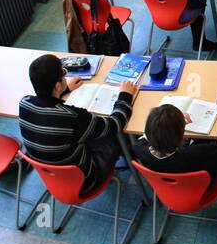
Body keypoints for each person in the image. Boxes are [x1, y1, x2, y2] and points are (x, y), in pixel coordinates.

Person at [19, 54, 136, 197]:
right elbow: (114, 125)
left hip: (53, 178)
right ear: (56, 85)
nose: (65, 78)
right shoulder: (72, 117)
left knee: (86, 132)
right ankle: (135, 164)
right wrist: (125, 95)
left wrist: (65, 89)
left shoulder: (24, 103)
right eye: (63, 76)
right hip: (86, 181)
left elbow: (46, 101)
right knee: (117, 136)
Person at [132, 92, 217, 184]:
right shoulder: (194, 153)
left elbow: (147, 134)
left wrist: (173, 125)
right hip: (202, 187)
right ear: (181, 134)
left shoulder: (139, 147)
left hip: (168, 191)